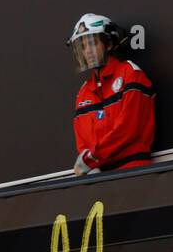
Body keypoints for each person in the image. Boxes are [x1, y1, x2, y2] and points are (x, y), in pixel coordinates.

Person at [67, 13, 156, 175]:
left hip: (135, 172)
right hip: (100, 179)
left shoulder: (130, 74)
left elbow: (129, 130)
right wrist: (91, 163)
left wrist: (91, 159)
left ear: (108, 44)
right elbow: (83, 143)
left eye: (93, 43)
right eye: (83, 46)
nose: (88, 51)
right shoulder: (83, 93)